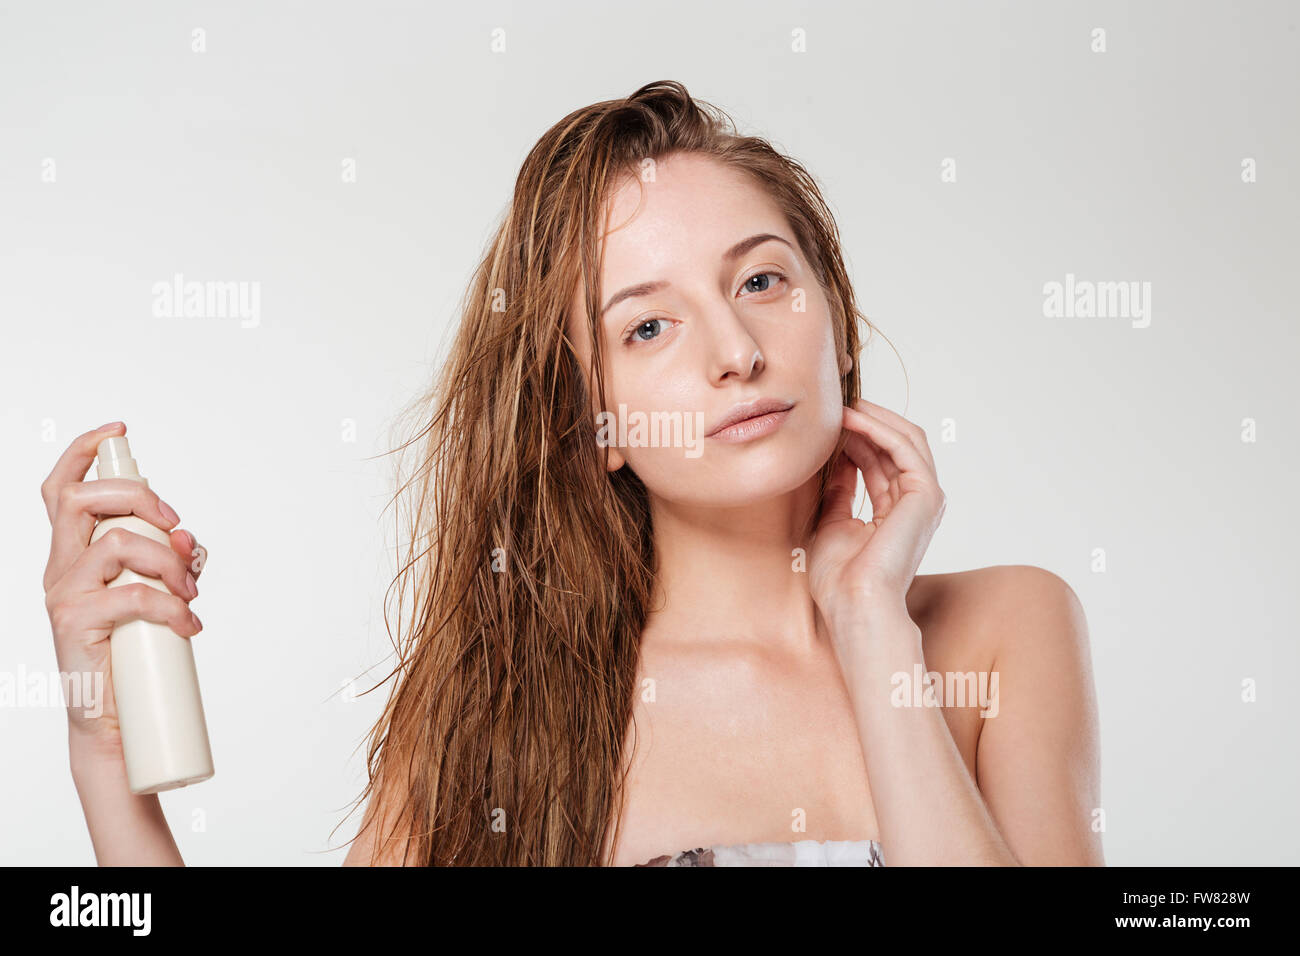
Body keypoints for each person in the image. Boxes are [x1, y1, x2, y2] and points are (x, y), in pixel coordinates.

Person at [43, 80, 1102, 867]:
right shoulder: (504, 704)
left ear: (834, 314)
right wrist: (105, 751)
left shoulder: (1006, 629)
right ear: (594, 422)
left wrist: (871, 623)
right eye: (646, 325)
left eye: (764, 278)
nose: (734, 349)